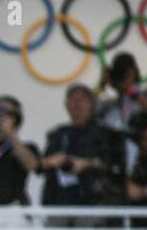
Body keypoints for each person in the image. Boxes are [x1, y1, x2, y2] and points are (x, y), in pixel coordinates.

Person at [39, 83, 122, 215]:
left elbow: (115, 165)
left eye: (82, 99)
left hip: (92, 202)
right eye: (72, 99)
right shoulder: (58, 134)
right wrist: (51, 161)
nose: (77, 103)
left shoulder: (106, 133)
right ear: (66, 105)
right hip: (57, 202)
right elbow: (40, 167)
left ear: (92, 104)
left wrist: (87, 164)